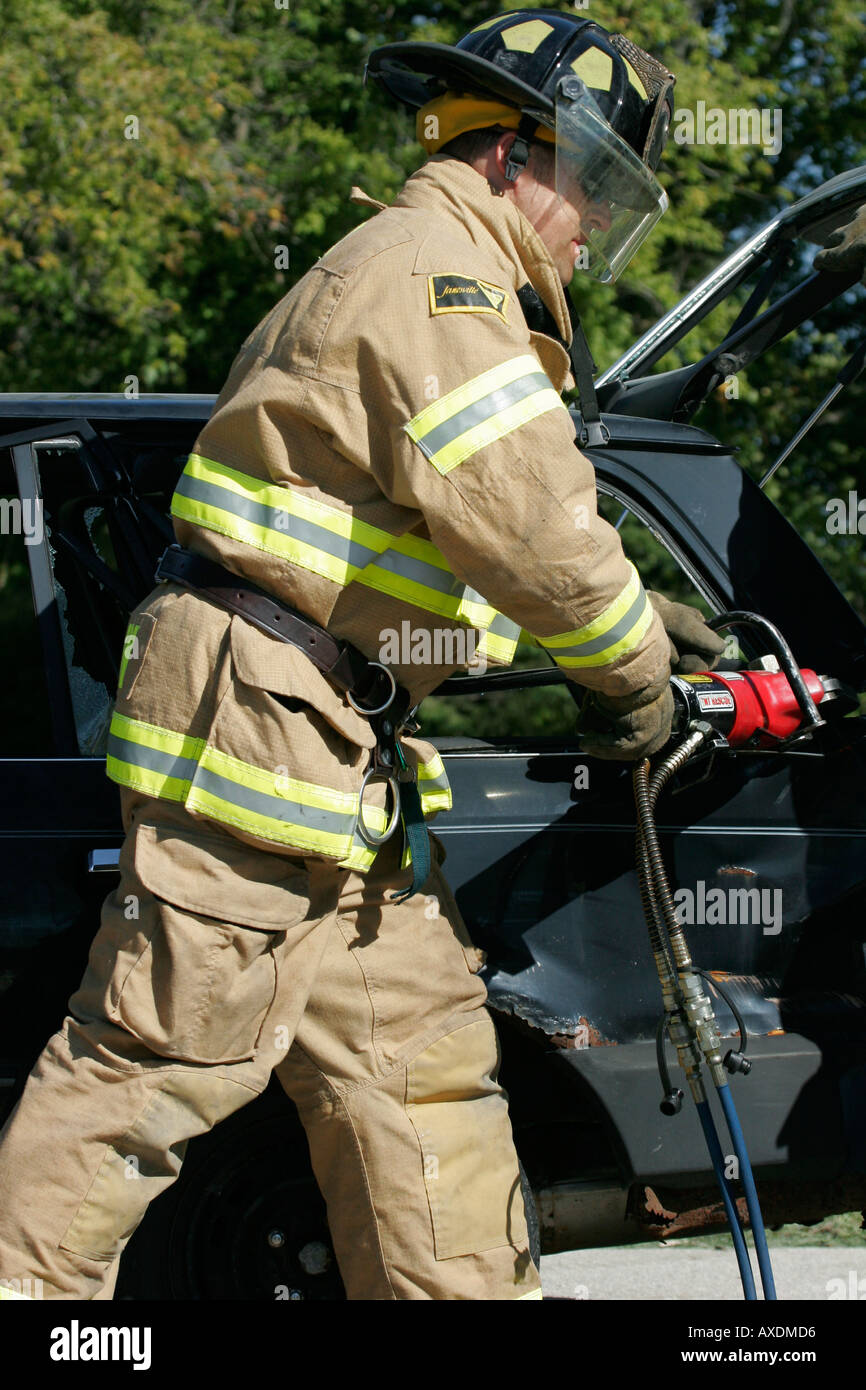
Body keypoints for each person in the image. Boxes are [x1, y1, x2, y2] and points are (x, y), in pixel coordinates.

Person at [0, 10, 725, 1301]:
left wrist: (616, 619)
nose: (587, 228)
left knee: (417, 1067)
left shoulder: (419, 267)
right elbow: (531, 522)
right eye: (586, 186)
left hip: (327, 743)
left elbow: (406, 559)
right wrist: (630, 674)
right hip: (264, 730)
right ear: (509, 153)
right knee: (154, 1062)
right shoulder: (436, 277)